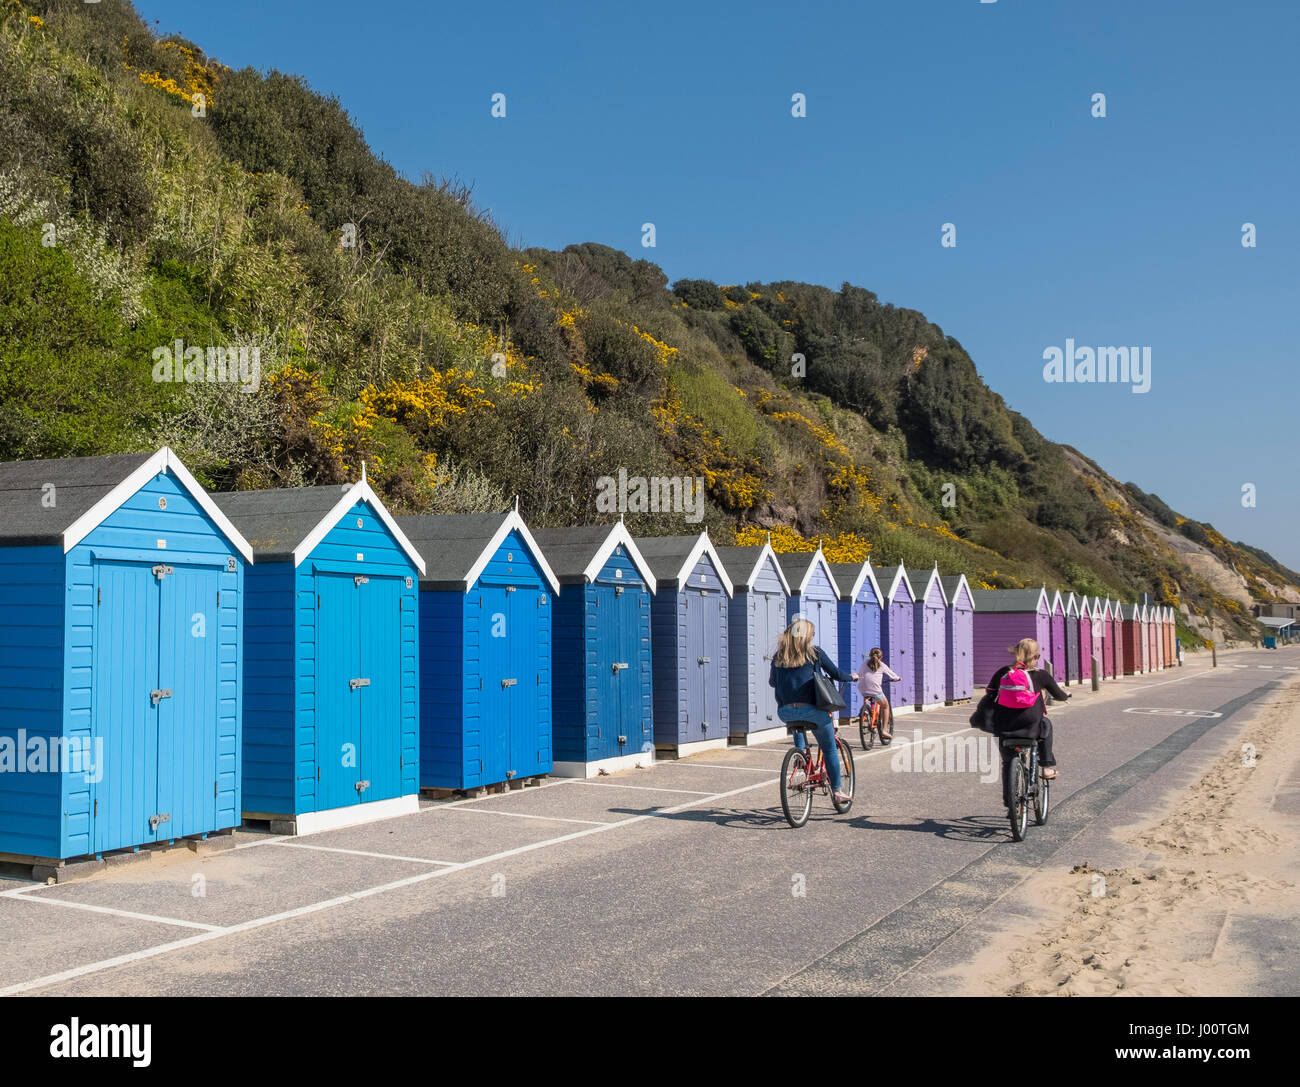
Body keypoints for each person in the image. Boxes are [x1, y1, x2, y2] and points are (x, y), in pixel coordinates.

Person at [769, 618, 857, 806]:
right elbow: (836, 673)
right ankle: (837, 791)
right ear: (808, 636)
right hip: (812, 711)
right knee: (829, 747)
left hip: (785, 711)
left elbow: (772, 682)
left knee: (797, 723)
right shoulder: (814, 654)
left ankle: (800, 755)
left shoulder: (778, 656)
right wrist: (851, 677)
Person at [984, 639, 1064, 797]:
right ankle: (1046, 766)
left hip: (1004, 727)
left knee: (1008, 763)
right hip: (1030, 727)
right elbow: (1059, 695)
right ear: (1036, 656)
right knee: (1046, 724)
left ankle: (1010, 803)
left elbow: (990, 692)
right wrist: (1066, 695)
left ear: (1015, 652)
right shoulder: (1041, 675)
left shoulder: (1003, 672)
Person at [857, 647, 900, 741]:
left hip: (862, 689)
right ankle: (884, 730)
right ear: (881, 657)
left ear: (870, 655)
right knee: (885, 706)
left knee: (868, 695)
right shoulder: (882, 665)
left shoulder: (864, 663)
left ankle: (866, 711)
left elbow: (859, 674)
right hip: (875, 691)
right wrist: (897, 678)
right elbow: (892, 674)